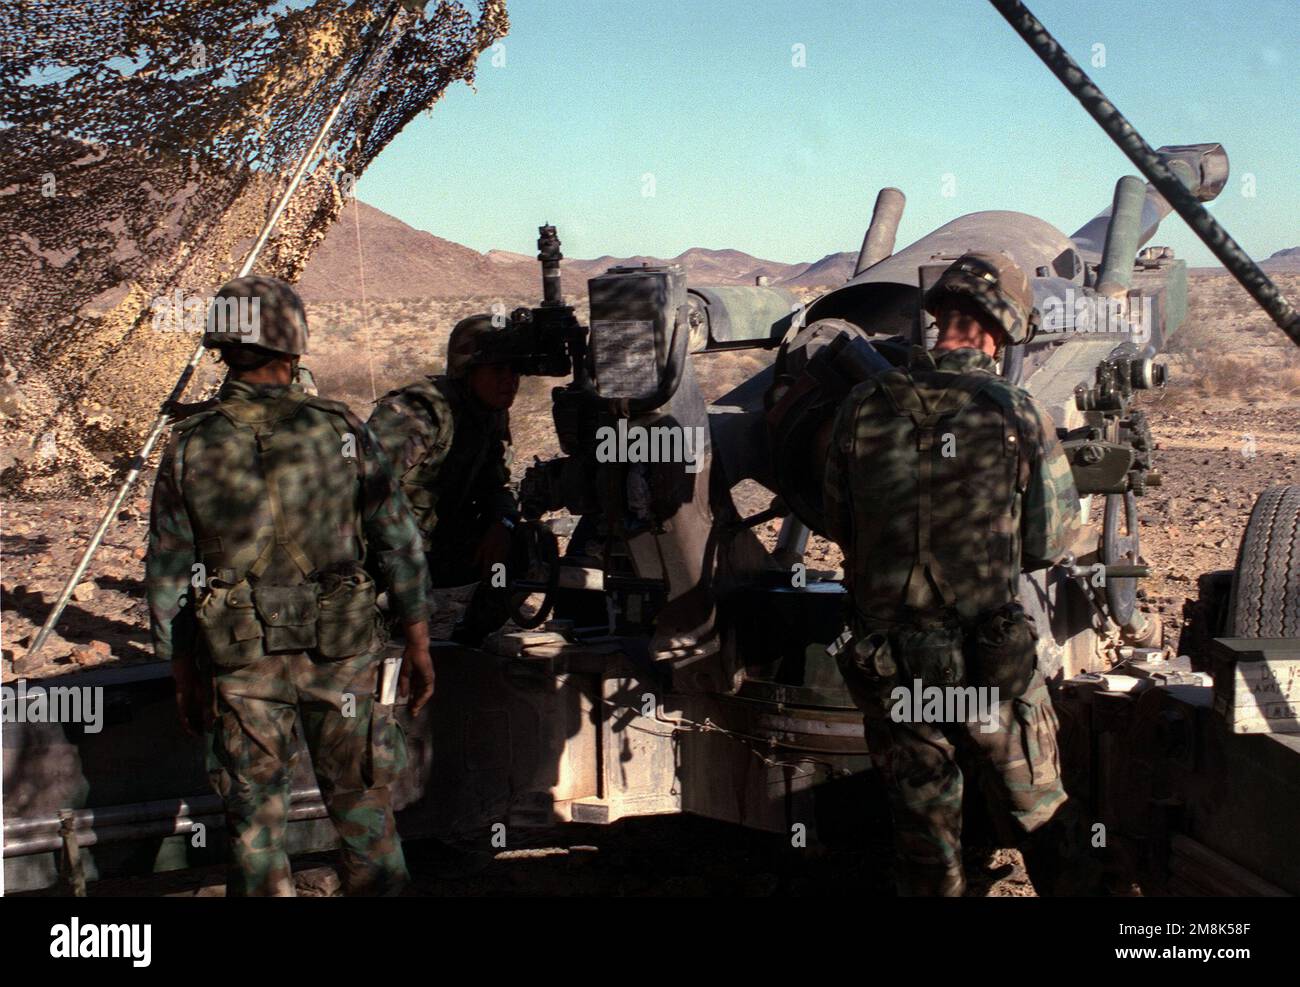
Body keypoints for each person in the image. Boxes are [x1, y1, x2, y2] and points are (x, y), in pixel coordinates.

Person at [146, 275, 434, 896]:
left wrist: (182, 671)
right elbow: (397, 540)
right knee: (363, 804)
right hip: (342, 654)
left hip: (239, 659)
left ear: (223, 346)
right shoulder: (341, 429)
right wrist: (418, 641)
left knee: (254, 822)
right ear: (292, 343)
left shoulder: (189, 444)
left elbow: (168, 568)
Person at [823, 251, 1089, 896]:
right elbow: (1048, 541)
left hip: (891, 661)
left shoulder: (859, 407)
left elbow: (838, 520)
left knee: (925, 832)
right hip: (987, 661)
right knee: (1039, 810)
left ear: (937, 319)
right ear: (999, 330)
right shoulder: (1016, 410)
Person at [367, 314, 521, 644]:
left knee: (526, 544)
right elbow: (362, 492)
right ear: (468, 369)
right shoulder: (420, 413)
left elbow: (496, 484)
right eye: (497, 370)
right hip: (389, 553)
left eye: (515, 371)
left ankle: (467, 640)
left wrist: (503, 522)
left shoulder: (490, 415)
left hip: (437, 546)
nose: (509, 381)